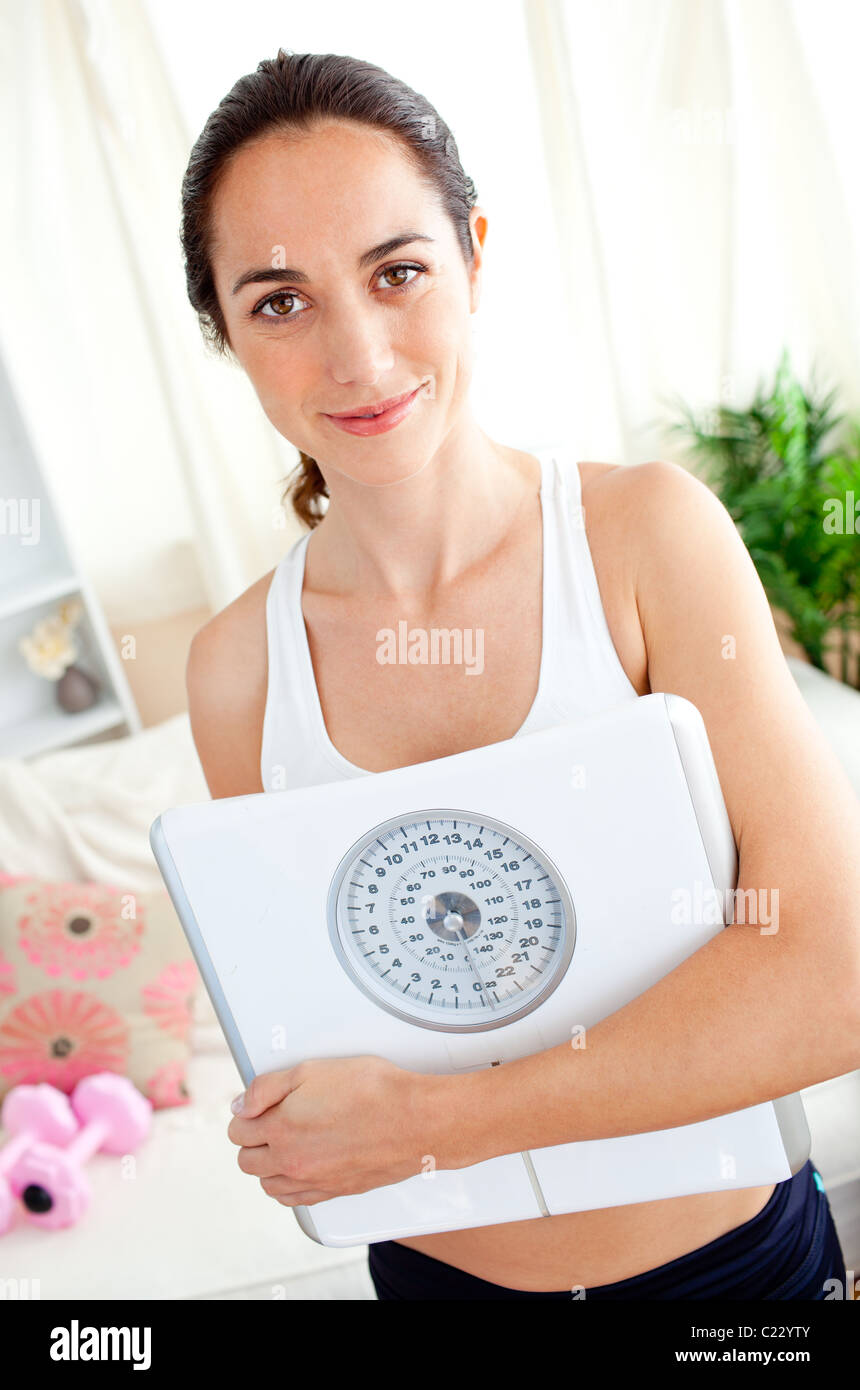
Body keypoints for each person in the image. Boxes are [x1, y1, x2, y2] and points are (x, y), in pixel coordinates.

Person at [179, 49, 856, 1299]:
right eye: (279, 300)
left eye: (398, 272)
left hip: (729, 1279)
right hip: (437, 1291)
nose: (361, 354)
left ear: (473, 257)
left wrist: (438, 1122)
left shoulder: (646, 536)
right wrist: (298, 1131)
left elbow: (833, 975)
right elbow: (336, 1028)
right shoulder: (232, 672)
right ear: (224, 330)